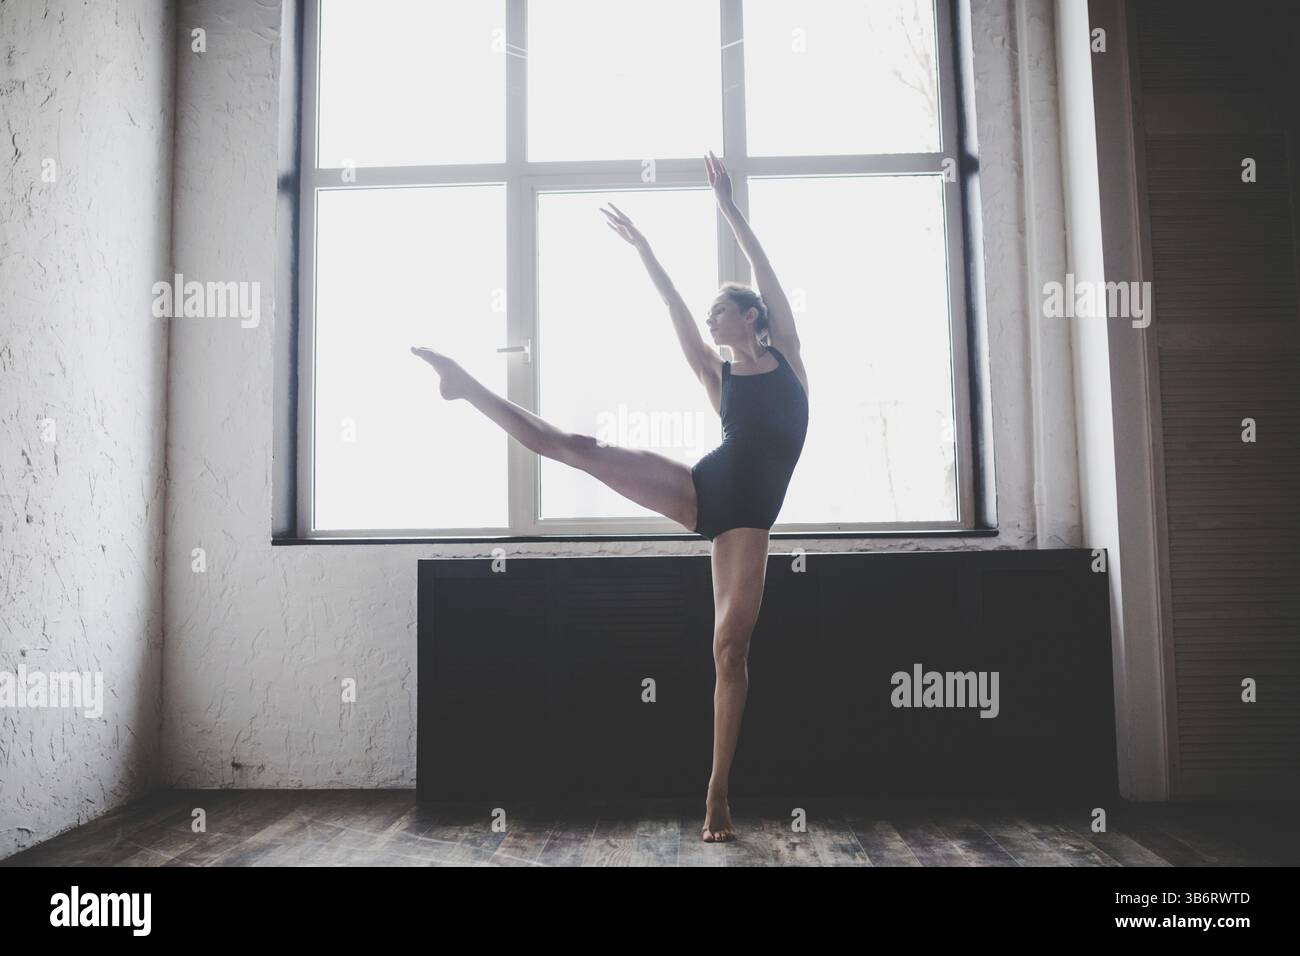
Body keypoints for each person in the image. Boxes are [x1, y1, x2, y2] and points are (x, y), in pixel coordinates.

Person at [412, 150, 809, 843]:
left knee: (729, 651)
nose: (713, 319)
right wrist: (649, 252)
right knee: (581, 449)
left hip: (749, 519)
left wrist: (728, 208)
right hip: (707, 491)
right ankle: (466, 386)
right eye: (712, 312)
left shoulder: (790, 359)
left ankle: (716, 790)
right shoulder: (724, 383)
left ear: (753, 316)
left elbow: (768, 269)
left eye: (723, 309)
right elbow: (677, 315)